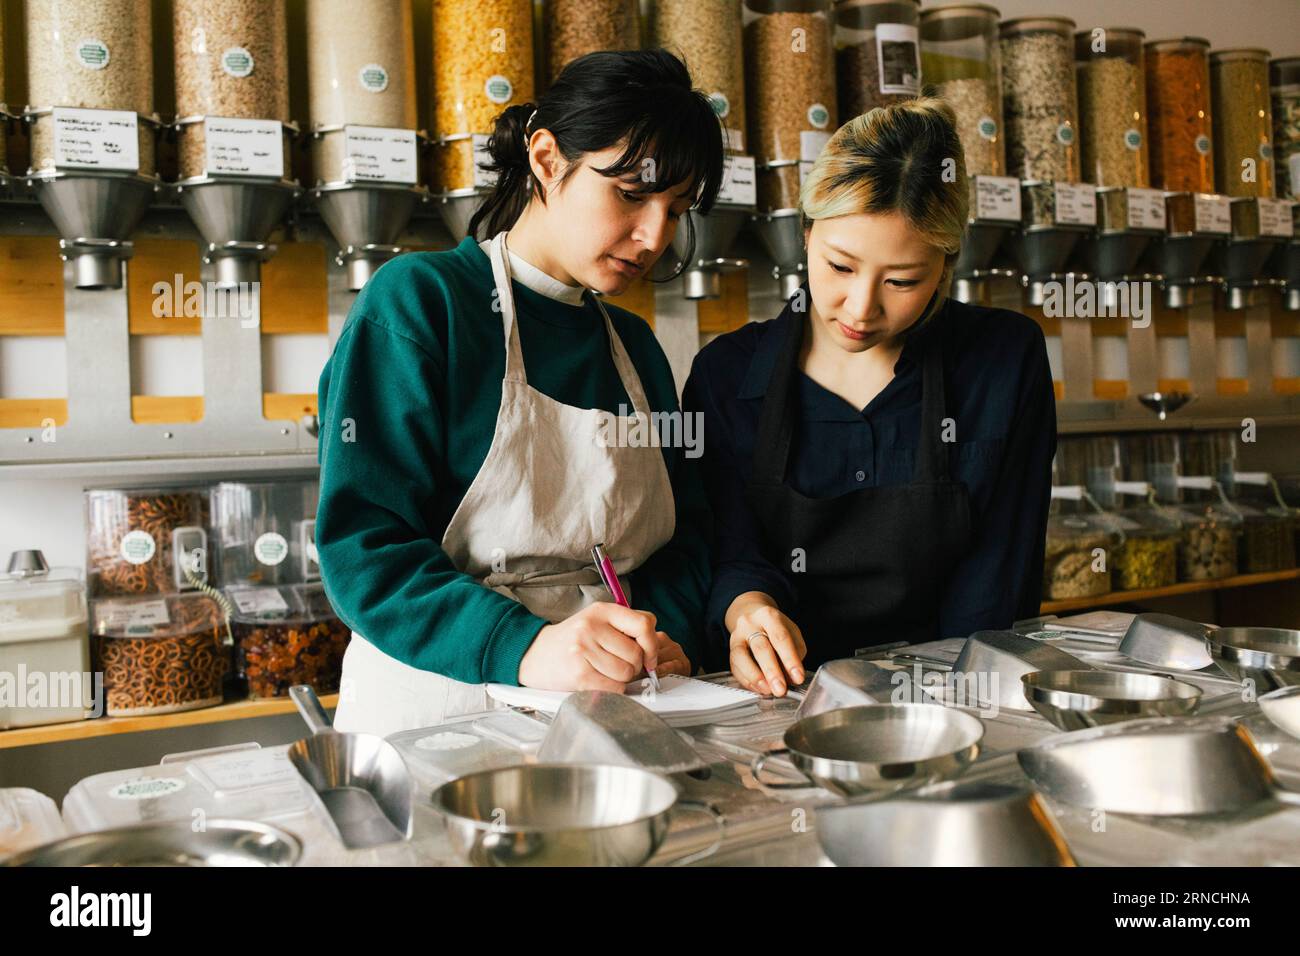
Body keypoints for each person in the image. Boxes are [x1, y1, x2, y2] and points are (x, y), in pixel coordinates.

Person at [316, 49, 724, 736]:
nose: (655, 235)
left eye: (676, 209)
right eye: (630, 193)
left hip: (614, 714)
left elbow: (688, 540)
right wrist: (523, 645)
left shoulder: (637, 349)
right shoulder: (422, 305)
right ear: (545, 158)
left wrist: (666, 633)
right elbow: (365, 547)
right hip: (439, 713)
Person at [683, 96, 1056, 696]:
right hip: (777, 701)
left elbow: (997, 580)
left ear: (945, 265)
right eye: (839, 266)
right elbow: (730, 547)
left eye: (902, 281)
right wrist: (748, 608)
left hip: (957, 697)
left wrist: (951, 716)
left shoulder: (1001, 362)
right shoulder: (727, 374)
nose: (861, 308)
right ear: (806, 235)